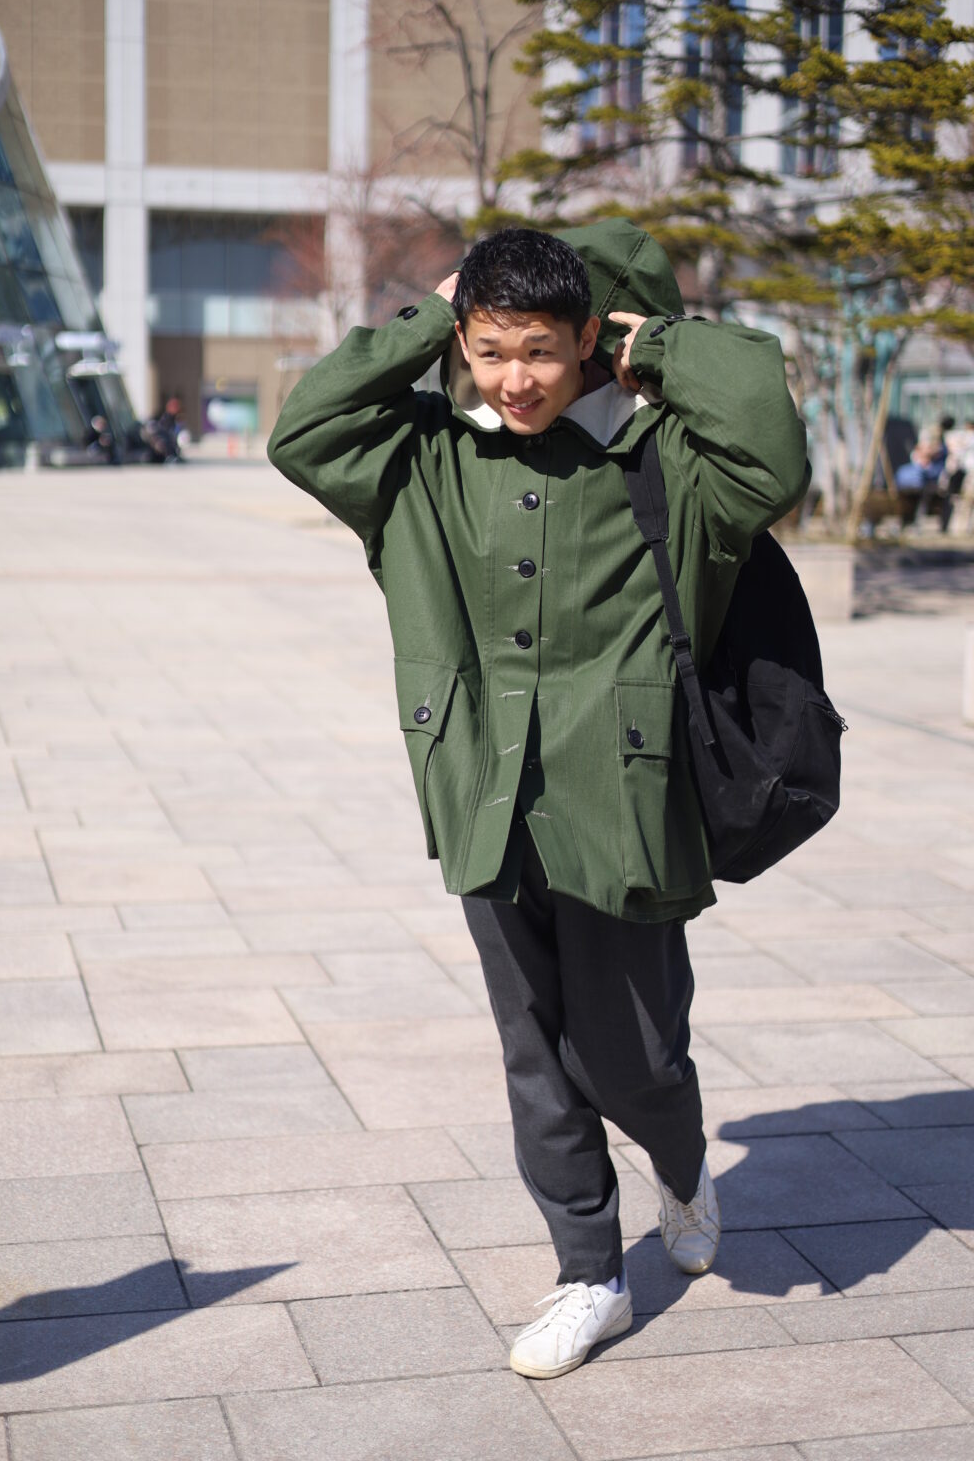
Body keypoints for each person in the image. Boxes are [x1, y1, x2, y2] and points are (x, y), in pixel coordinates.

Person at [267, 223, 808, 1379]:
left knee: (631, 1059)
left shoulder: (669, 469)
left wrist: (658, 340)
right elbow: (305, 430)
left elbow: (768, 437)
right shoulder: (424, 465)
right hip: (483, 794)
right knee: (533, 1055)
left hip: (625, 797)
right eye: (491, 349)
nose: (515, 379)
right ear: (463, 342)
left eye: (542, 353)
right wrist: (425, 313)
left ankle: (679, 1155)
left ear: (589, 347)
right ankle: (588, 1276)